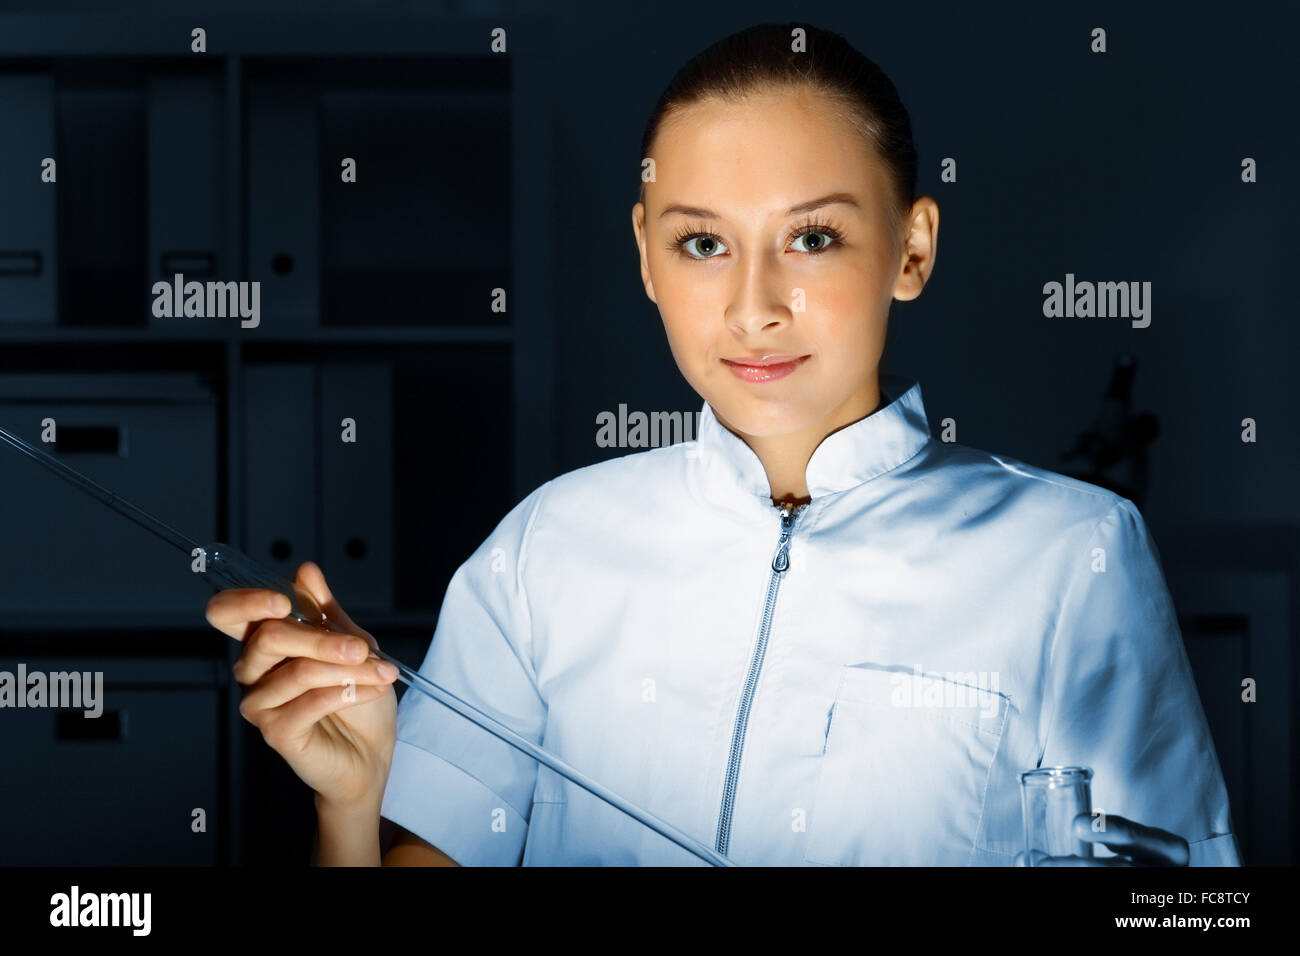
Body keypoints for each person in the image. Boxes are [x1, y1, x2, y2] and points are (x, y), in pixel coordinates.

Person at [204, 21, 1239, 867]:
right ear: (646, 258)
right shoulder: (544, 551)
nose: (753, 309)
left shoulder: (1072, 552)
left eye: (813, 237)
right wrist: (350, 805)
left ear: (912, 247)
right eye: (702, 243)